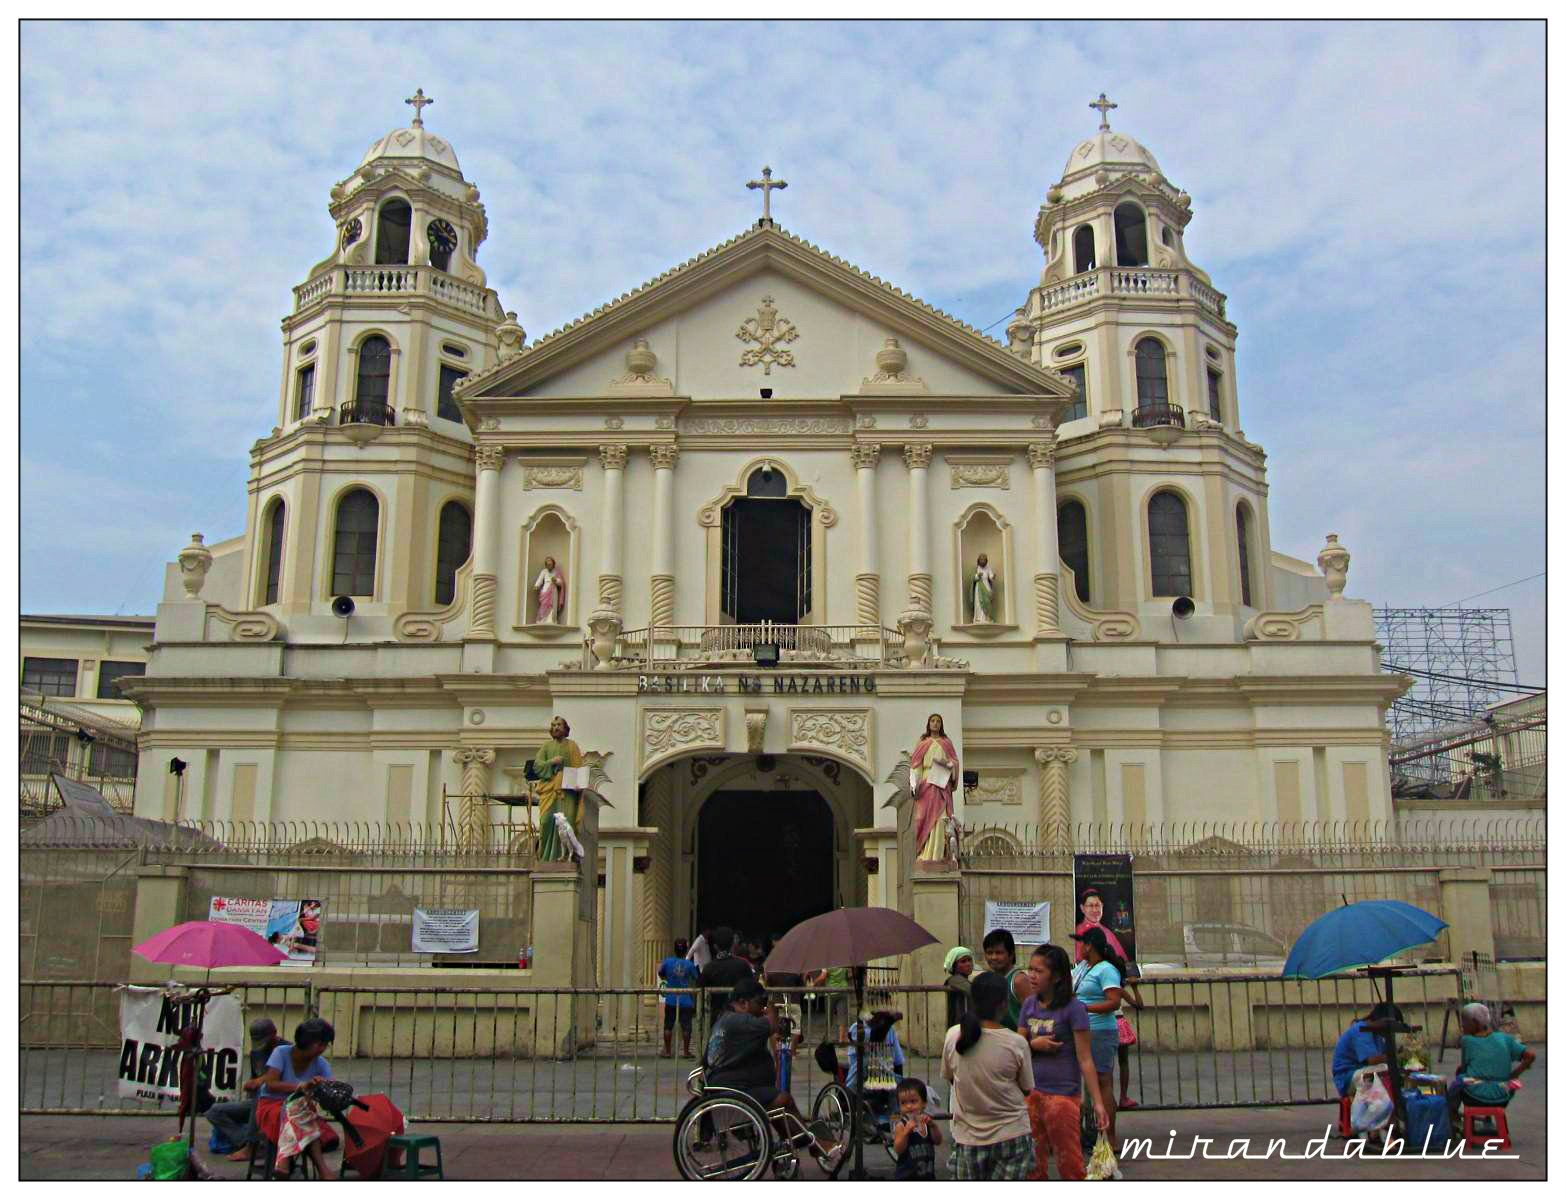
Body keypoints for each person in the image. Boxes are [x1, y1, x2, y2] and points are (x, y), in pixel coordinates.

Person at [704, 979, 846, 1174]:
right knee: (782, 1100)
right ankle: (813, 1143)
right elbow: (770, 1025)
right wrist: (771, 1004)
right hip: (733, 1090)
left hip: (734, 1085)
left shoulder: (726, 1019)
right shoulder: (738, 1020)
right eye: (759, 1003)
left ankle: (806, 1141)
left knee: (782, 1103)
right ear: (744, 1003)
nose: (761, 1009)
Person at [1020, 945, 1110, 1180]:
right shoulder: (1028, 1005)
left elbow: (1085, 1058)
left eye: (1038, 971)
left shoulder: (1074, 1008)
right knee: (1032, 1166)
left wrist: (1098, 1103)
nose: (1031, 975)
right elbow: (1017, 1048)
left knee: (1070, 1163)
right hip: (1030, 1094)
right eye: (1030, 969)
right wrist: (1033, 1045)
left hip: (1063, 1097)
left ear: (1057, 976)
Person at [941, 970, 1035, 1180]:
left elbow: (950, 1077)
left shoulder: (953, 1035)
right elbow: (1027, 1088)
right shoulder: (1016, 1042)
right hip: (1012, 1136)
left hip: (968, 1139)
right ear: (1003, 1004)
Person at [255, 1018, 341, 1180]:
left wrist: (321, 1088)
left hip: (300, 1111)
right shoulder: (281, 1053)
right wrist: (300, 1086)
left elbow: (331, 1089)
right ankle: (322, 1168)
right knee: (302, 1114)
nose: (323, 1049)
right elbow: (271, 1084)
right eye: (323, 1044)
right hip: (271, 1108)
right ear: (316, 1044)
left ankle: (283, 1160)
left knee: (300, 1110)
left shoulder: (320, 1063)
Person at [1070, 927, 1125, 1154]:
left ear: (1089, 945)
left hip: (1100, 1031)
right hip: (1082, 1030)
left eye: (1082, 943)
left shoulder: (1106, 970)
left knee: (1103, 1083)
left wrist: (1085, 1007)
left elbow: (1114, 1002)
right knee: (1085, 1084)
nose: (1080, 947)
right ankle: (1089, 1132)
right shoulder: (1084, 968)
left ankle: (1110, 1138)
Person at [206, 1017, 286, 1161]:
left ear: (274, 1034)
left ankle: (251, 1146)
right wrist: (251, 1085)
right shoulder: (257, 1053)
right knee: (214, 1111)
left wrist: (260, 1082)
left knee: (262, 1093)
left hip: (278, 1102)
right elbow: (255, 1077)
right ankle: (250, 1141)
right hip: (257, 1103)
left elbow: (281, 1080)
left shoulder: (287, 1051)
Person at [1447, 1002, 1534, 1122]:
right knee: (1487, 1077)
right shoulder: (1505, 1039)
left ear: (1475, 1022)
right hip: (1502, 1096)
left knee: (1459, 1079)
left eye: (1464, 1023)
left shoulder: (1467, 1041)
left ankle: (1453, 1114)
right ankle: (1489, 1120)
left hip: (1475, 1097)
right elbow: (1531, 1056)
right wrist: (1515, 1074)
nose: (1462, 1026)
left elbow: (1464, 1069)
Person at [533, 716, 583, 863]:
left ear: (565, 728)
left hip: (567, 791)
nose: (556, 727)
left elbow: (578, 768)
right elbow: (537, 766)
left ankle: (566, 856)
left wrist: (577, 784)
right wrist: (552, 762)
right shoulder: (546, 746)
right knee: (546, 821)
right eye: (553, 725)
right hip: (549, 789)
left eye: (559, 725)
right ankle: (545, 857)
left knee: (566, 823)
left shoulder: (572, 746)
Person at [911, 714, 958, 861]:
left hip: (941, 784)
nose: (935, 723)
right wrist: (914, 783)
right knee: (922, 818)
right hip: (926, 783)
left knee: (940, 818)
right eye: (933, 721)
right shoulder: (923, 743)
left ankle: (937, 855)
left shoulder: (946, 743)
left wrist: (950, 766)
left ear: (941, 724)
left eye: (938, 721)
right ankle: (924, 853)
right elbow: (916, 765)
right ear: (928, 724)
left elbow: (954, 762)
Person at [1330, 1002, 1398, 1098]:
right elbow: (1372, 1060)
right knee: (1386, 1070)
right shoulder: (1361, 1030)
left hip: (1361, 1072)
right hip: (1348, 1077)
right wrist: (1396, 1056)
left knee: (1391, 1071)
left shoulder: (1376, 1034)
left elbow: (1384, 1055)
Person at [695, 927, 754, 1025]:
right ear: (732, 944)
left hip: (716, 1018)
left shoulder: (709, 968)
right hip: (739, 1017)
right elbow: (752, 988)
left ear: (715, 947)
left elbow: (699, 990)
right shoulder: (743, 965)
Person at [979, 928, 1034, 1032]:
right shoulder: (991, 979)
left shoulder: (1018, 980)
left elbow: (1032, 1017)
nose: (993, 957)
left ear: (1011, 954)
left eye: (999, 953)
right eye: (989, 953)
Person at [891, 1077, 943, 1180]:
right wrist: (906, 1133)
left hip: (927, 1175)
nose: (909, 1106)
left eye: (913, 1101)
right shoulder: (901, 1126)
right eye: (903, 1103)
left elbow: (938, 1141)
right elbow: (898, 1149)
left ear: (924, 1103)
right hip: (906, 1177)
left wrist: (934, 1126)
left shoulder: (926, 1123)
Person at [845, 1010, 905, 1097]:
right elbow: (876, 1037)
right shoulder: (857, 1028)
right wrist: (890, 1020)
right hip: (860, 1083)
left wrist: (901, 1085)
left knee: (917, 1088)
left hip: (884, 1080)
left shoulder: (890, 1030)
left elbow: (898, 1062)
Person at [659, 937, 702, 1058]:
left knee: (668, 1025)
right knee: (686, 1026)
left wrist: (668, 978)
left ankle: (667, 1051)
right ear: (686, 950)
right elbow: (696, 978)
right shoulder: (689, 964)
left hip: (671, 999)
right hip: (685, 1000)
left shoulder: (667, 961)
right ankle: (686, 1051)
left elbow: (661, 974)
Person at [1115, 959, 1145, 1109]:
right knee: (1123, 1062)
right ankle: (1123, 1097)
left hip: (1103, 1023)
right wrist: (1134, 987)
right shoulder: (1119, 989)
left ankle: (1106, 1098)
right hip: (1118, 1022)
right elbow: (1140, 1005)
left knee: (1104, 1066)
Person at [1072, 888, 1128, 963]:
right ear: (1082, 908)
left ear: (1102, 906)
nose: (1095, 910)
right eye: (1090, 906)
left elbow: (1122, 960)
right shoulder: (1077, 931)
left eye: (1097, 905)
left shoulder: (1108, 933)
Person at [943, 945, 975, 1029]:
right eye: (963, 961)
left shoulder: (965, 980)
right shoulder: (954, 979)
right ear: (954, 965)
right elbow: (974, 991)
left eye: (969, 960)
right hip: (958, 1027)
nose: (968, 964)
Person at [533, 555, 564, 623]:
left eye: (550, 564)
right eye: (547, 564)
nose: (549, 565)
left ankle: (551, 620)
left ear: (553, 564)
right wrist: (536, 585)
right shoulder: (544, 571)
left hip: (553, 590)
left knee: (552, 605)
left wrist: (555, 580)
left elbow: (561, 583)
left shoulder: (557, 572)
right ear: (546, 565)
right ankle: (542, 620)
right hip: (545, 589)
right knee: (543, 604)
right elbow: (540, 580)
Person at [970, 553, 996, 623]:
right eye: (981, 559)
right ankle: (979, 618)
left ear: (986, 561)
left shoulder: (988, 568)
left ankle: (987, 618)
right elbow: (973, 579)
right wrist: (977, 576)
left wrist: (993, 576)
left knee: (987, 601)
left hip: (986, 586)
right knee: (978, 602)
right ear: (978, 560)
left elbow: (990, 576)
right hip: (979, 588)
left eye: (984, 560)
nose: (983, 561)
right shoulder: (977, 568)